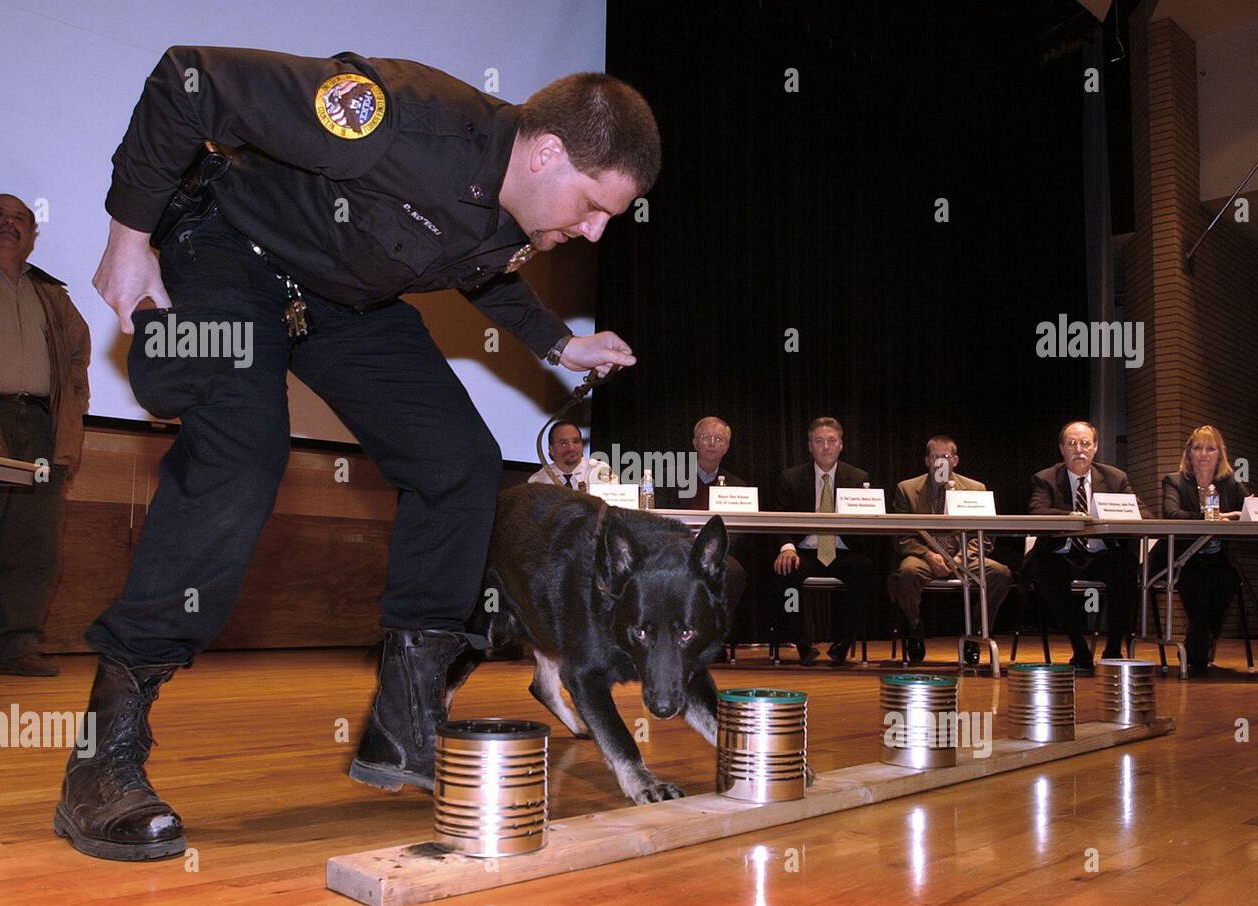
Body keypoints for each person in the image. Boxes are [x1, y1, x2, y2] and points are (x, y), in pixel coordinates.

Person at [58, 46, 659, 862]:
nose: (593, 232)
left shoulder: (514, 207)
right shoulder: (397, 117)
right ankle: (105, 755)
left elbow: (480, 266)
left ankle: (404, 720)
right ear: (548, 153)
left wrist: (557, 343)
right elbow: (188, 80)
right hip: (233, 257)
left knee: (461, 463)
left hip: (341, 303)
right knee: (243, 449)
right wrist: (129, 237)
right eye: (593, 206)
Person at [0, 194, 91, 677]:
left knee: (35, 544)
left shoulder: (52, 294)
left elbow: (78, 356)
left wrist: (71, 417)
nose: (8, 224)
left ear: (33, 236)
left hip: (40, 427)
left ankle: (17, 646)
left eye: (19, 219)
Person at [1025, 420, 1138, 673]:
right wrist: (1073, 517)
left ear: (1095, 447)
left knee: (1126, 565)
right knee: (1045, 567)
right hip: (1061, 554)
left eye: (1085, 443)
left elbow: (1143, 514)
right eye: (1072, 444)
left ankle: (1113, 649)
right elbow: (1037, 511)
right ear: (1062, 449)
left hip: (1100, 554)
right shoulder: (1045, 479)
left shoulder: (1115, 478)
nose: (1079, 450)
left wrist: (1112, 515)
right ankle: (1079, 649)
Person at [889, 435, 1011, 663]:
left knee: (1000, 573)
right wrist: (928, 554)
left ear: (955, 460)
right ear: (926, 461)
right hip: (924, 556)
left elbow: (986, 538)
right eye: (935, 457)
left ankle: (976, 633)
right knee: (906, 573)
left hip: (964, 556)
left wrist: (963, 556)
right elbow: (901, 537)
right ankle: (915, 629)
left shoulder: (976, 489)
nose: (939, 462)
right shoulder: (906, 489)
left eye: (945, 457)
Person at [772, 417, 875, 666]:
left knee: (864, 569)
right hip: (804, 552)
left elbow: (870, 524)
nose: (826, 447)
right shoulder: (791, 477)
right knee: (786, 577)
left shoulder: (859, 478)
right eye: (819, 441)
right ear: (809, 446)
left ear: (841, 445)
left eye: (831, 441)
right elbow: (778, 519)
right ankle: (801, 643)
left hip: (843, 551)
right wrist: (787, 547)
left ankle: (843, 643)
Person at [1150, 425, 1250, 675]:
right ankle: (1198, 653)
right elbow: (1171, 514)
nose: (1203, 454)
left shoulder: (1231, 483)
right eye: (1197, 448)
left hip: (1218, 558)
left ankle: (1196, 647)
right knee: (1196, 583)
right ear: (1188, 453)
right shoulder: (1174, 481)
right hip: (1184, 558)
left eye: (1210, 448)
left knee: (1227, 581)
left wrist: (1236, 516)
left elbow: (1250, 513)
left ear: (1220, 454)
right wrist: (1214, 516)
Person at [654, 416, 748, 622]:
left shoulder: (737, 486)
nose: (712, 443)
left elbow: (741, 530)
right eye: (706, 437)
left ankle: (715, 630)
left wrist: (716, 549)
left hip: (718, 553)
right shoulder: (669, 478)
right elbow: (659, 521)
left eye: (719, 439)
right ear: (695, 443)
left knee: (734, 572)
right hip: (677, 550)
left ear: (727, 446)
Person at [527, 421, 612, 488]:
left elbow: (611, 508)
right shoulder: (537, 481)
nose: (571, 448)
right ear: (551, 450)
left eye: (575, 441)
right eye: (564, 443)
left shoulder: (600, 471)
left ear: (582, 445)